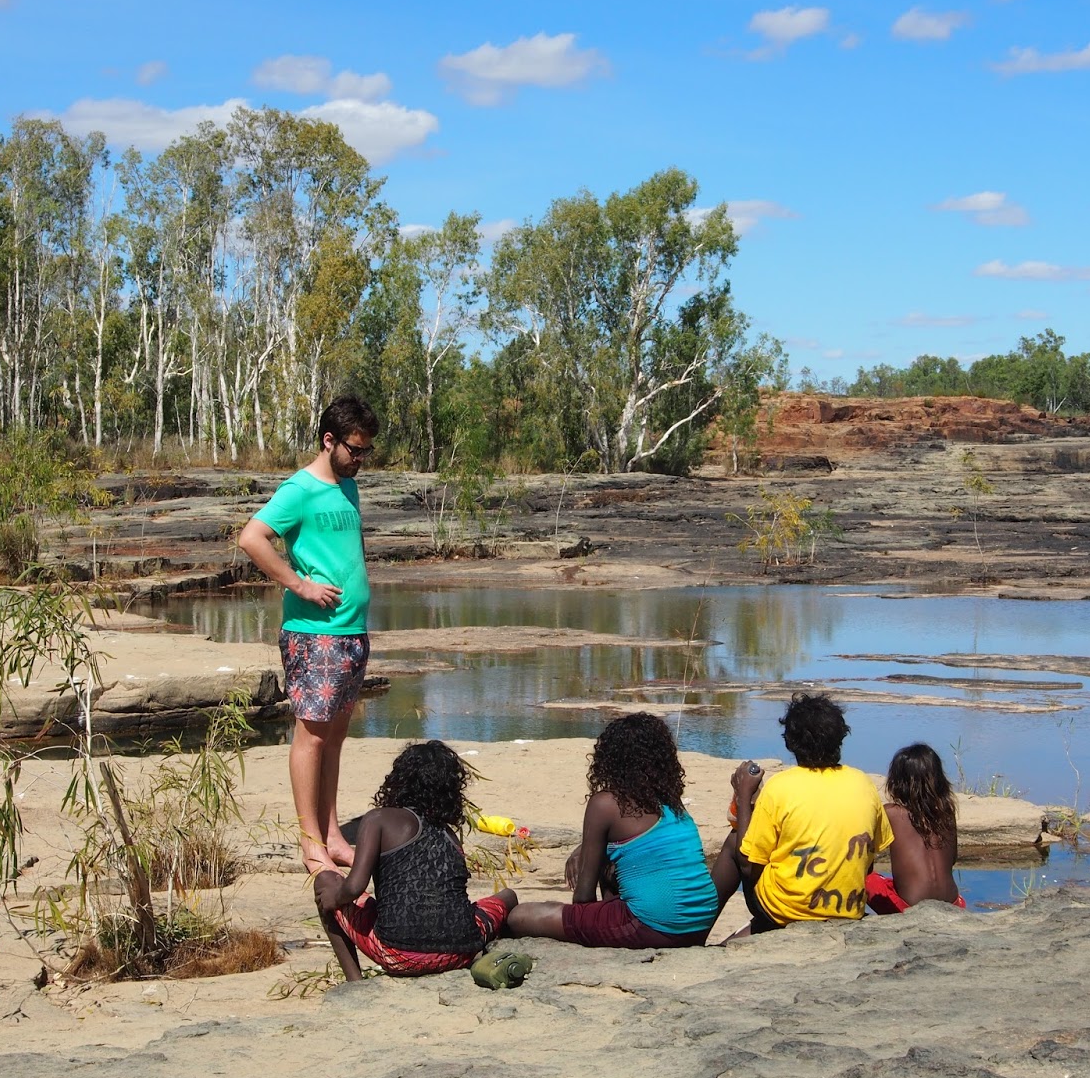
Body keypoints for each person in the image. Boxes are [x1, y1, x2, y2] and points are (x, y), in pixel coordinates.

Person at [238, 395, 379, 874]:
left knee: (335, 738)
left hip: (351, 633)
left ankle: (334, 835)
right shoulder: (299, 489)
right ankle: (311, 844)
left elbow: (349, 547)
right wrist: (299, 584)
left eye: (365, 453)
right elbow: (251, 538)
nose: (360, 460)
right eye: (354, 451)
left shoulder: (348, 488)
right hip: (314, 636)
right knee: (311, 738)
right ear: (329, 441)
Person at [505, 713, 728, 948]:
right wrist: (588, 849)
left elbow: (583, 899)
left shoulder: (606, 804)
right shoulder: (672, 802)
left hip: (655, 927)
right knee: (616, 867)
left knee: (521, 916)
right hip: (699, 924)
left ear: (610, 759)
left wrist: (582, 923)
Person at [313, 740, 519, 981]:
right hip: (461, 952)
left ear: (399, 778)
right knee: (508, 897)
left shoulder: (378, 819)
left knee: (326, 880)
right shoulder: (449, 834)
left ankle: (354, 981)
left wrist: (334, 896)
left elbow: (355, 887)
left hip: (400, 954)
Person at [726, 693, 893, 933]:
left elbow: (746, 866)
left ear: (790, 742)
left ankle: (696, 929)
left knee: (735, 843)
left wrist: (743, 796)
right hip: (848, 910)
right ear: (840, 737)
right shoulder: (863, 783)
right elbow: (868, 863)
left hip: (784, 912)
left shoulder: (780, 787)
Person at [865, 743, 965, 913]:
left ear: (897, 781)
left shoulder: (891, 813)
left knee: (869, 880)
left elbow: (866, 862)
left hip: (908, 908)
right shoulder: (947, 811)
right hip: (954, 904)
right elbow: (952, 859)